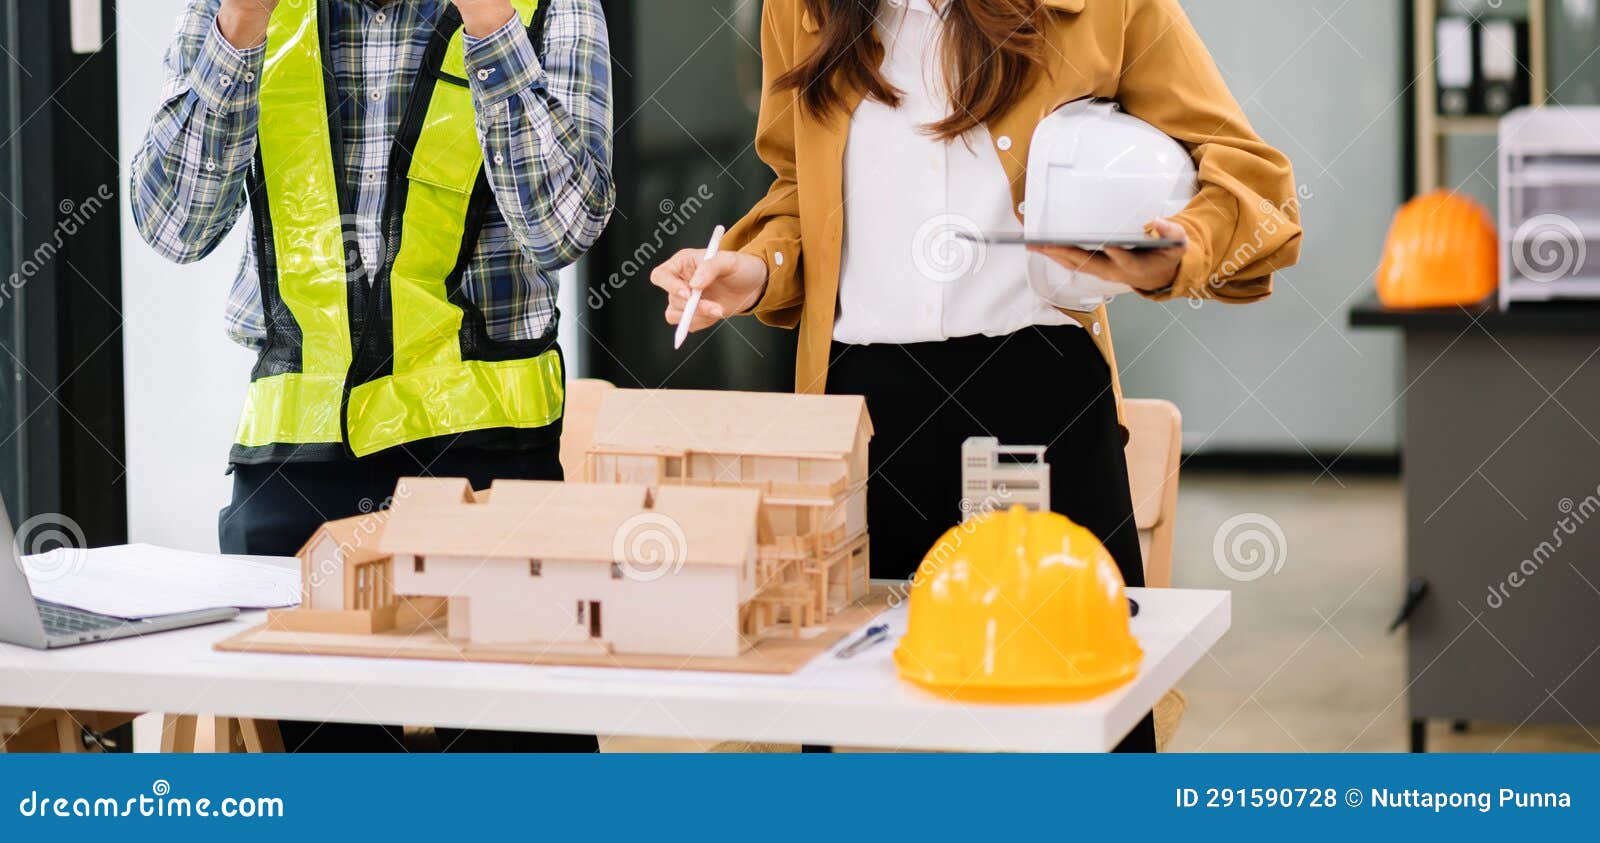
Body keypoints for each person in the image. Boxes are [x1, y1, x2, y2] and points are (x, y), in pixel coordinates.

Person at [650, 0, 1301, 752]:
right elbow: (799, 187)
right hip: (864, 429)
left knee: (1080, 741)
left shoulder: (1103, 8)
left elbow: (1253, 180)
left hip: (1044, 405)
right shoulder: (803, 9)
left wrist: (1180, 245)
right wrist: (760, 267)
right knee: (865, 752)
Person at [131, 0, 614, 752]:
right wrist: (237, 31)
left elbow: (564, 227)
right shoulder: (231, 8)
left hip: (488, 475)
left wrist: (492, 28)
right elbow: (171, 224)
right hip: (295, 481)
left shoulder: (550, 6)